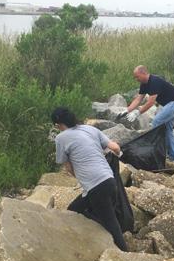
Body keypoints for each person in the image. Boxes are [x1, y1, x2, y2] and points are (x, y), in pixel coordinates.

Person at [52, 107, 128, 252]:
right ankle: (98, 233)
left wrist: (82, 177)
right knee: (74, 210)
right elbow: (115, 148)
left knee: (110, 222)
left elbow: (68, 167)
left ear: (58, 124)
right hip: (109, 180)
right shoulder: (90, 129)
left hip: (96, 187)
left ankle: (125, 253)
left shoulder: (61, 138)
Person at [119, 65, 174, 162]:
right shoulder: (144, 84)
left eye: (137, 76)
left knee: (156, 122)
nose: (136, 79)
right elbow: (138, 99)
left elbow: (150, 102)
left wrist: (137, 113)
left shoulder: (154, 81)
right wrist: (127, 110)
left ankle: (155, 153)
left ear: (144, 73)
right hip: (169, 104)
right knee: (167, 129)